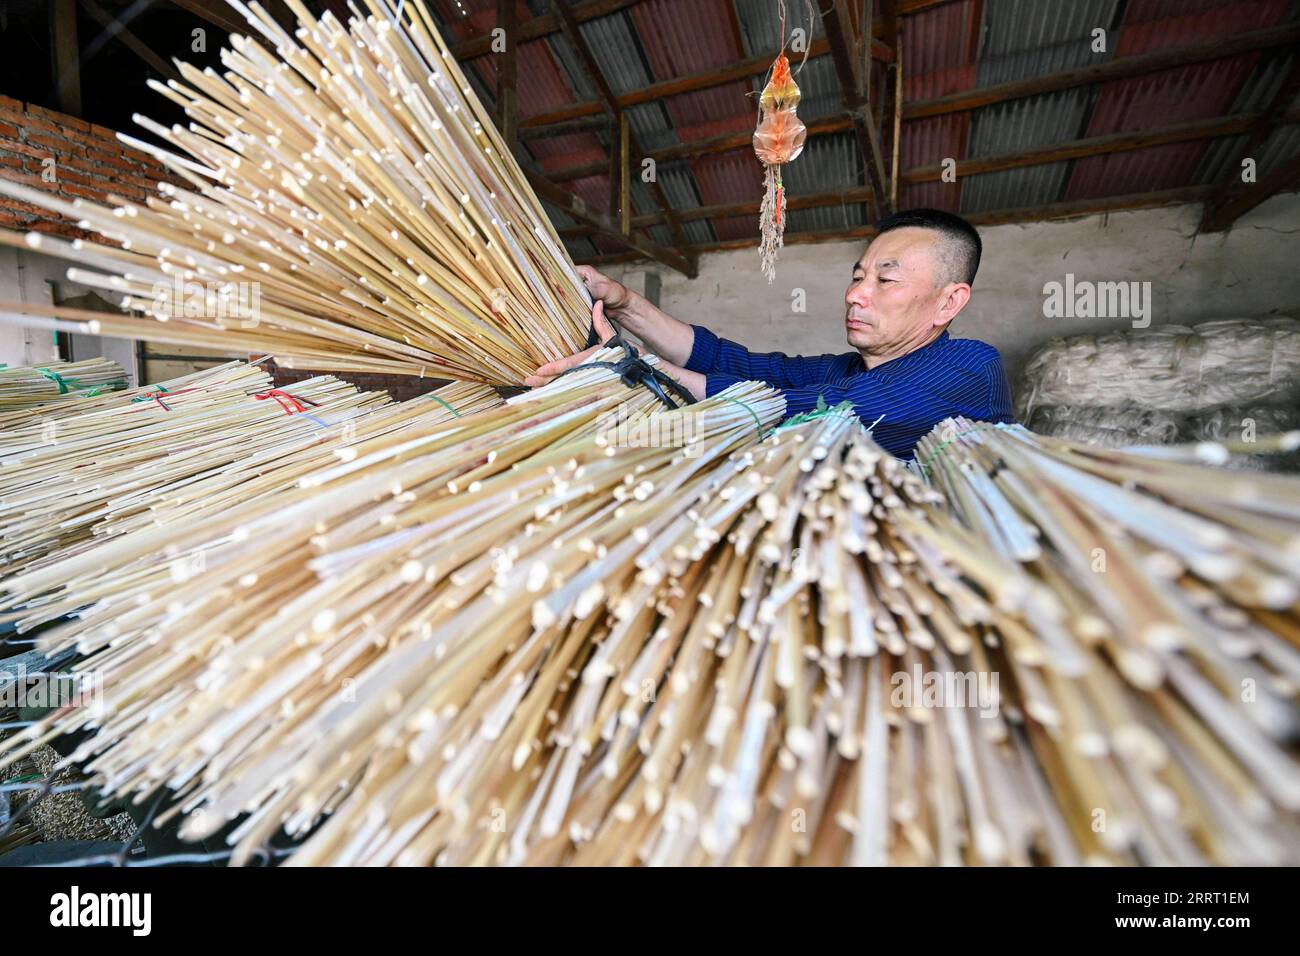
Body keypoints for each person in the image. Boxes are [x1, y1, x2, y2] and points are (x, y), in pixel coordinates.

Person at [526, 208, 1015, 459]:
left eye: (885, 281)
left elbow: (836, 411)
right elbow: (732, 364)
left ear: (949, 302)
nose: (855, 295)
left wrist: (634, 368)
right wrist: (625, 304)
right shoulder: (846, 368)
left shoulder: (973, 366)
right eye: (857, 276)